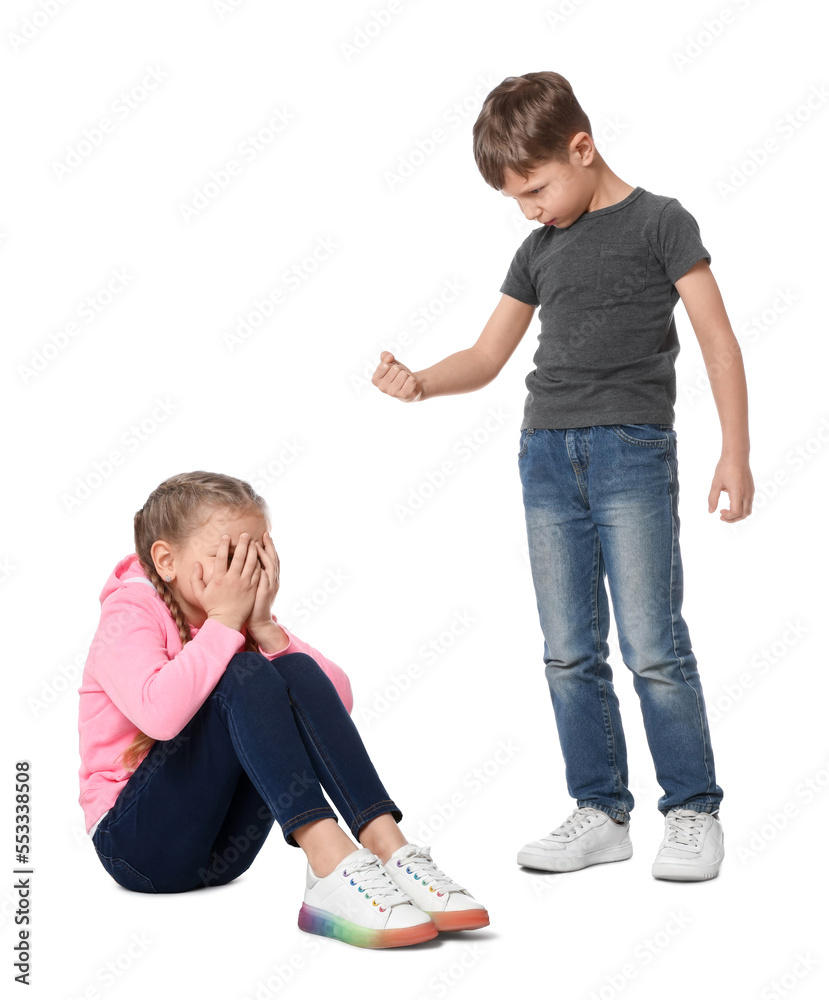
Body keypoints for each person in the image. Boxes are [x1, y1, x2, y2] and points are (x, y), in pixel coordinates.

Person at [371, 71, 754, 882]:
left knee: (652, 644)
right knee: (567, 650)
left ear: (581, 149)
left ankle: (690, 810)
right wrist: (420, 381)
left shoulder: (661, 222)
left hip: (631, 453)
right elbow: (486, 355)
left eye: (535, 188)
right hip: (545, 456)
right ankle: (599, 811)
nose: (529, 208)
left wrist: (734, 452)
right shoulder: (537, 248)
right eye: (514, 199)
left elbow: (719, 340)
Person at [77, 471, 489, 948]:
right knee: (243, 672)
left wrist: (266, 628)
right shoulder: (131, 612)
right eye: (228, 556)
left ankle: (387, 846)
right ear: (166, 560)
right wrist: (227, 623)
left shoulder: (233, 618)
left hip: (224, 854)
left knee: (287, 668)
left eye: (256, 555)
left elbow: (336, 702)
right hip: (138, 848)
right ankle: (330, 860)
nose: (245, 572)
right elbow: (160, 716)